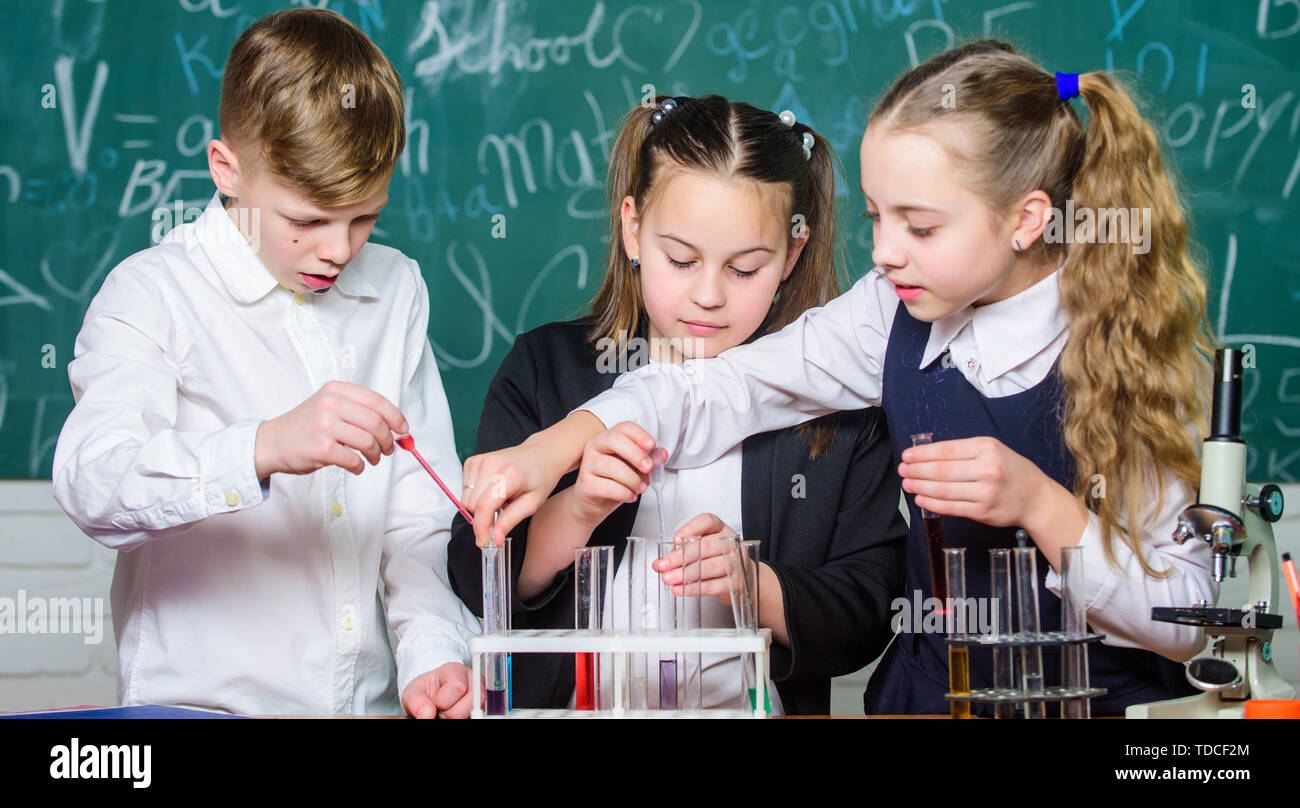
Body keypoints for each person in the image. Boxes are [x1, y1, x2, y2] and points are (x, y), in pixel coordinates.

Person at [461, 41, 1220, 715]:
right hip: (930, 696)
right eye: (876, 220)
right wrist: (556, 449)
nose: (887, 252)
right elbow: (710, 386)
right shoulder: (890, 312)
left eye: (919, 227)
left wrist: (1038, 503)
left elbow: (1192, 616)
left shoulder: (1132, 355)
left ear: (1026, 221)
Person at [51, 8, 478, 718]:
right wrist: (263, 447)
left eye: (364, 218)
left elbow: (418, 517)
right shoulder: (153, 292)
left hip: (365, 707)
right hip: (193, 712)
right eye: (307, 221)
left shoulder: (395, 288)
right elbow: (93, 482)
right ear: (228, 170)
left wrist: (432, 652)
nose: (339, 251)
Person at [448, 95, 906, 714]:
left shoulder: (833, 404)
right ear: (632, 228)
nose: (709, 295)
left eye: (745, 269)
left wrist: (755, 588)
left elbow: (875, 601)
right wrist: (578, 509)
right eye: (682, 259)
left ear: (791, 255)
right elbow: (477, 581)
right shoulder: (545, 370)